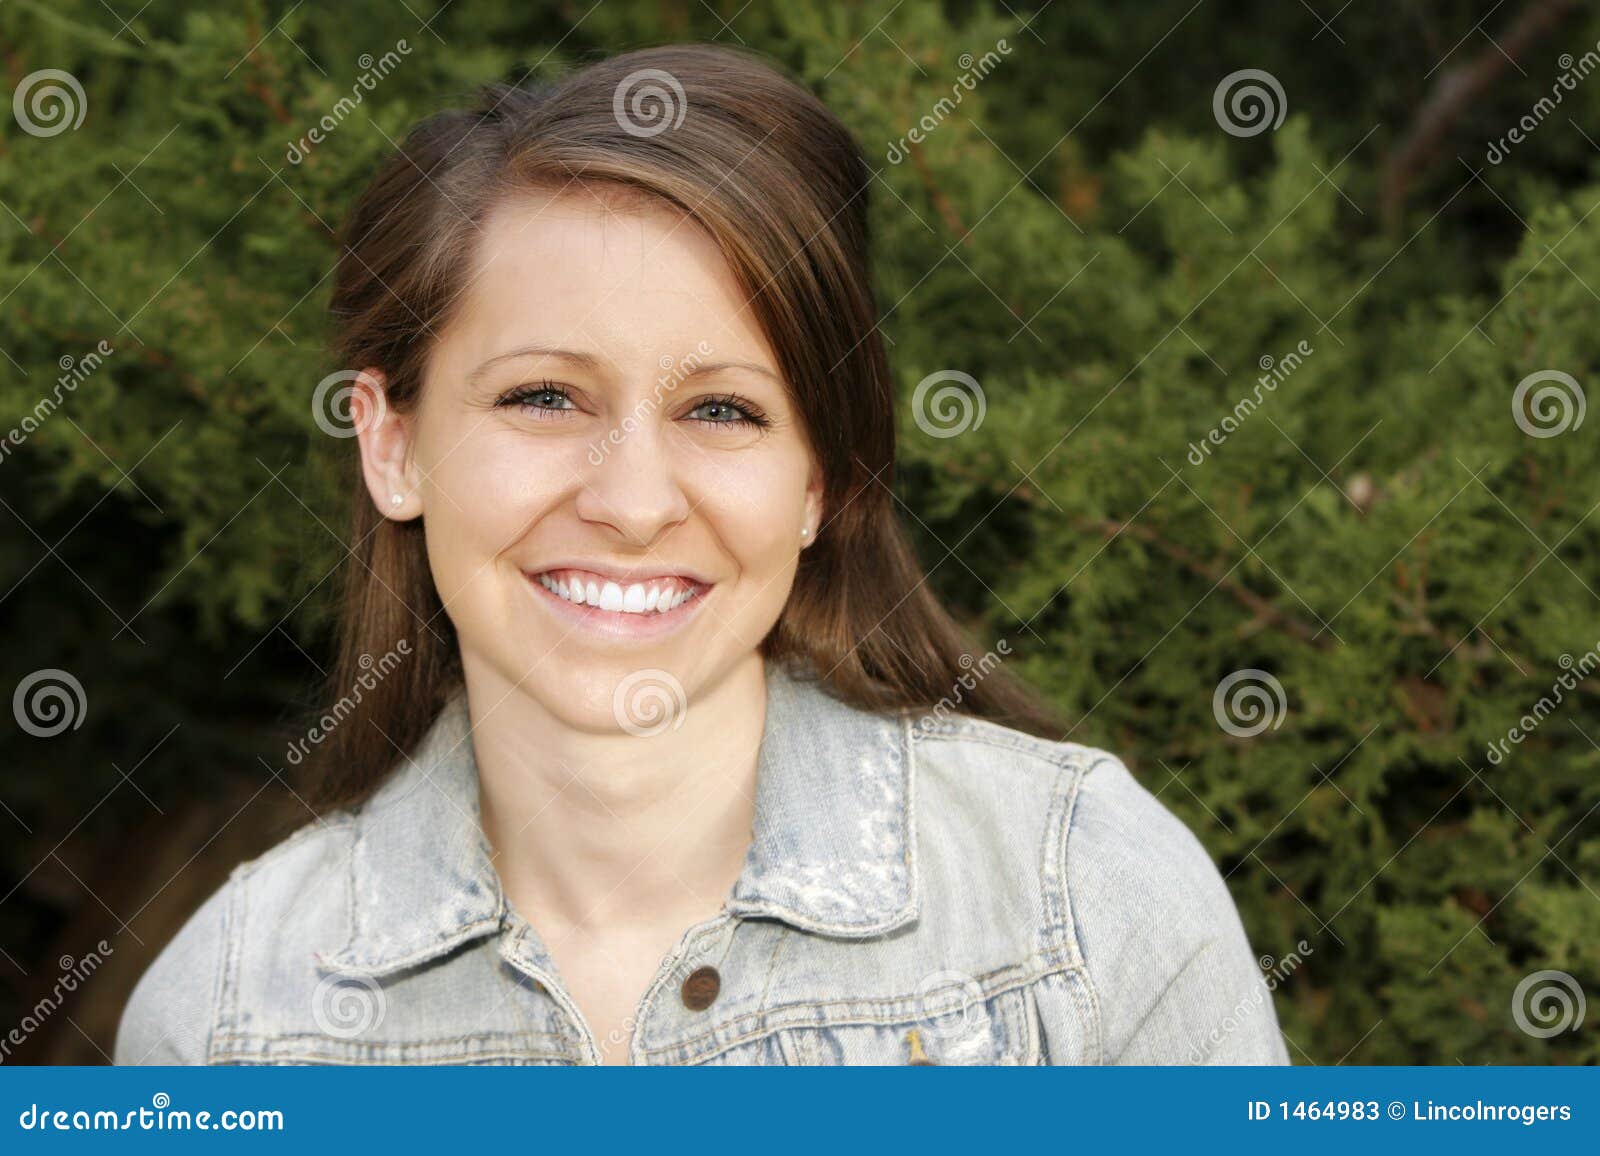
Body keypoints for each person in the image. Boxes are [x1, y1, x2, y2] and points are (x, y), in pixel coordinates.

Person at [114, 42, 1288, 1066]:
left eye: (722, 410)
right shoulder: (224, 1025)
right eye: (542, 396)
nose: (630, 503)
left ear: (818, 480)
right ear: (394, 446)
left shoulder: (1085, 899)